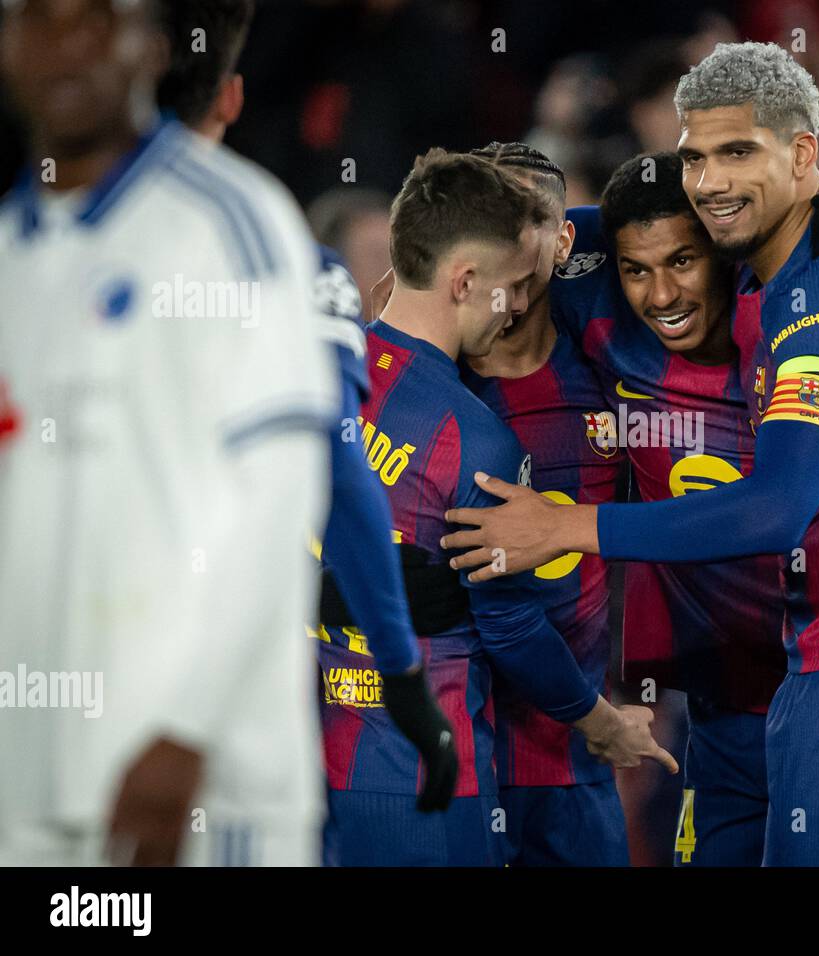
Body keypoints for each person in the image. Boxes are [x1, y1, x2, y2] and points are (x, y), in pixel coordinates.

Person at [445, 43, 819, 865]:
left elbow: (777, 506)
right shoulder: (784, 263)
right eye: (696, 157)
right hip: (802, 673)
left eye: (737, 153)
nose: (712, 181)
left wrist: (565, 527)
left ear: (801, 155)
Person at [0, 0, 336, 866]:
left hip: (200, 789)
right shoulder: (10, 253)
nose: (63, 45)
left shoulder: (231, 223)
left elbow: (278, 500)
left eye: (94, 19)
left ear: (149, 45)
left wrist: (183, 733)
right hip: (31, 785)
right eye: (37, 18)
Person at [320, 148, 675, 866]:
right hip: (442, 763)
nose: (515, 303)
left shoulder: (326, 374)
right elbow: (508, 623)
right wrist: (602, 723)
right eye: (507, 286)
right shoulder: (474, 437)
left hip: (327, 748)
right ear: (464, 279)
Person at [156, 0, 461, 817]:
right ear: (230, 100)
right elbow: (337, 465)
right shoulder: (275, 246)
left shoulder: (22, 244)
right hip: (225, 690)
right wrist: (399, 668)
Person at [461, 142, 630, 866]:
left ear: (565, 239)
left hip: (574, 765)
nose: (510, 239)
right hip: (463, 755)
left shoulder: (613, 367)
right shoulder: (426, 389)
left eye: (530, 220)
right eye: (489, 219)